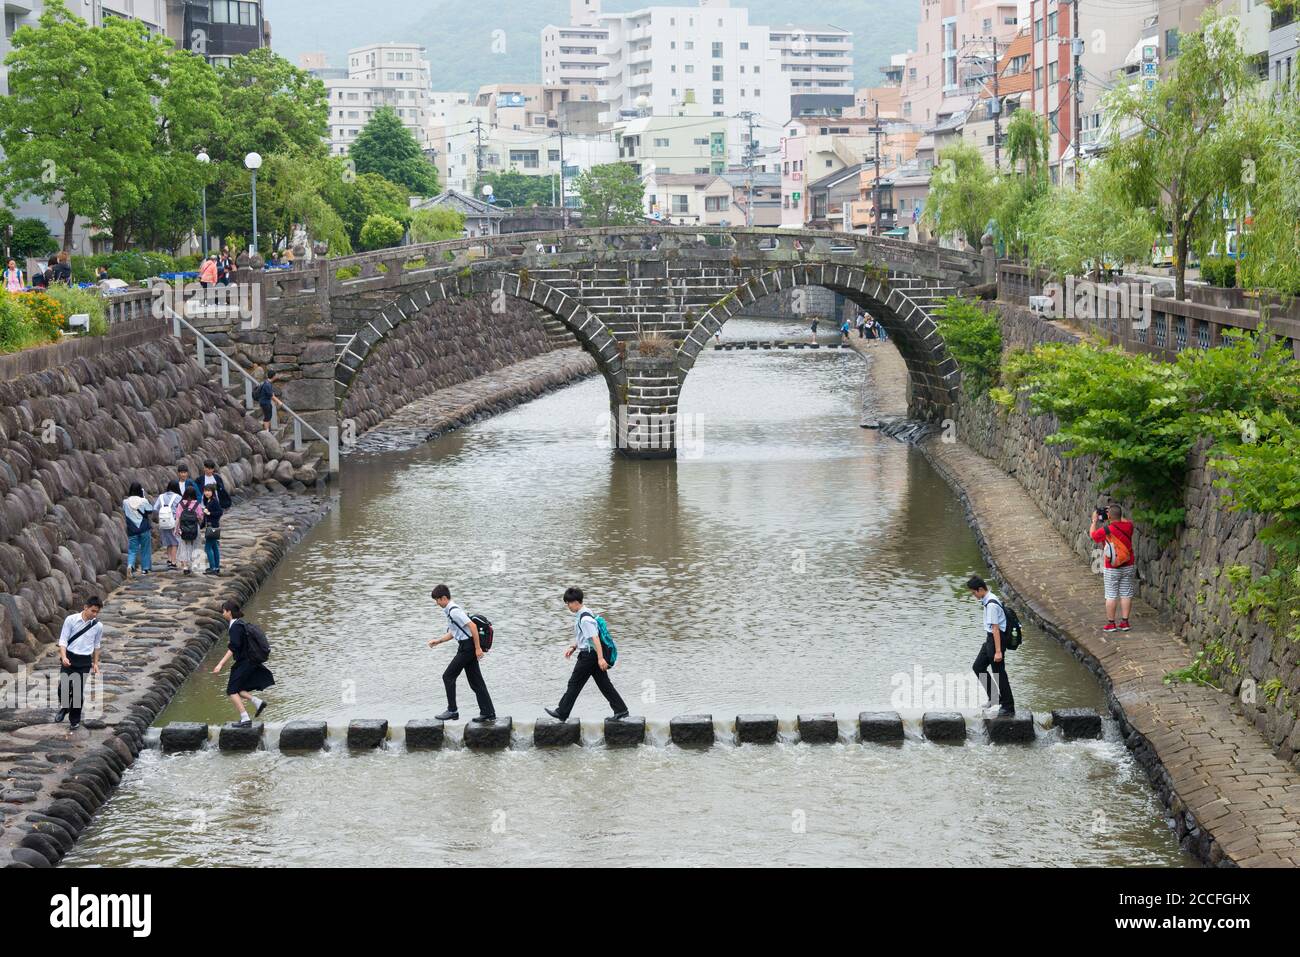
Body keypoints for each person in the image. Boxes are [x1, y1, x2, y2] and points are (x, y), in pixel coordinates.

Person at [545, 587, 629, 723]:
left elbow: (595, 638)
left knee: (574, 683)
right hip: (591, 654)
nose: (568, 606)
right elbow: (586, 637)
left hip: (589, 657)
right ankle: (621, 710)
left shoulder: (584, 619)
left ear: (576, 602)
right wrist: (574, 646)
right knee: (604, 684)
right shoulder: (586, 612)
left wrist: (600, 658)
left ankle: (562, 712)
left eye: (568, 603)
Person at [427, 584, 495, 723]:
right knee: (476, 682)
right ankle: (488, 713)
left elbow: (473, 626)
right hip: (466, 646)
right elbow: (454, 632)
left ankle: (452, 710)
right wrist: (438, 641)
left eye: (437, 600)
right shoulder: (451, 610)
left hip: (468, 648)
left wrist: (477, 648)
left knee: (448, 676)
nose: (437, 603)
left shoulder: (454, 611)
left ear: (444, 598)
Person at [213, 600, 272, 727]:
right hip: (247, 662)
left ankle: (245, 719)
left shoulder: (235, 627)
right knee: (238, 689)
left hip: (245, 663)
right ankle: (257, 702)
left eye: (223, 611)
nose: (222, 614)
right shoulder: (240, 624)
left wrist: (220, 664)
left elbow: (233, 647)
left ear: (229, 612)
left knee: (231, 691)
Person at [967, 575, 1014, 717]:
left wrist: (998, 651)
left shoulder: (992, 604)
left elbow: (996, 629)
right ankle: (994, 698)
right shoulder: (988, 599)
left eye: (974, 593)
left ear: (980, 589)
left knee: (999, 674)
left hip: (995, 641)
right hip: (990, 640)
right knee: (978, 667)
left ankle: (1008, 706)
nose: (974, 595)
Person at [56, 597, 103, 734]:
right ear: (85, 607)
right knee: (63, 688)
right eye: (93, 611)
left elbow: (96, 646)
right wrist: (64, 657)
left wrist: (95, 663)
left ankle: (74, 721)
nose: (94, 614)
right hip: (69, 657)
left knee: (77, 692)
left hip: (84, 661)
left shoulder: (98, 626)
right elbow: (63, 640)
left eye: (97, 612)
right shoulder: (71, 620)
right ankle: (65, 707)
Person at [1091, 504, 1136, 633]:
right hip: (1128, 564)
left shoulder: (1106, 529)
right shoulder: (1129, 526)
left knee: (1111, 595)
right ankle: (1125, 622)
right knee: (1126, 594)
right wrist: (1116, 514)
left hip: (1112, 567)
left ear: (1109, 516)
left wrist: (1094, 521)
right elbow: (1125, 521)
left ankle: (1111, 624)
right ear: (1120, 515)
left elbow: (1093, 536)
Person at [122, 482, 153, 575]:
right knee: (145, 548)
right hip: (143, 528)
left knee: (132, 549)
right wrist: (143, 497)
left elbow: (125, 511)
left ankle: (130, 565)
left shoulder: (125, 502)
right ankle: (145, 569)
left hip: (132, 528)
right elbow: (150, 510)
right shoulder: (143, 501)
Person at [175, 486, 204, 575]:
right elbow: (200, 518)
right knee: (195, 545)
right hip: (195, 528)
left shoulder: (180, 504)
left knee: (184, 546)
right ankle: (194, 564)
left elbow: (178, 518)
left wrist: (176, 529)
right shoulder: (197, 505)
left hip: (183, 528)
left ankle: (185, 566)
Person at [154, 480, 182, 569]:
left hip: (163, 522)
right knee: (175, 542)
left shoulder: (161, 496)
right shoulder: (178, 497)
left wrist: (162, 513)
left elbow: (155, 508)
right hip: (174, 522)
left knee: (168, 542)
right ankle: (173, 561)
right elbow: (181, 509)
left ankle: (169, 559)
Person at [200, 484, 224, 575]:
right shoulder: (208, 501)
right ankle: (216, 567)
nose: (207, 492)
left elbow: (220, 512)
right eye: (205, 491)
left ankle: (213, 568)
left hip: (213, 527)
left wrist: (210, 513)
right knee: (214, 547)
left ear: (212, 492)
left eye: (209, 491)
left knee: (208, 548)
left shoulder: (214, 501)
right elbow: (205, 517)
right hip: (210, 526)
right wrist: (201, 525)